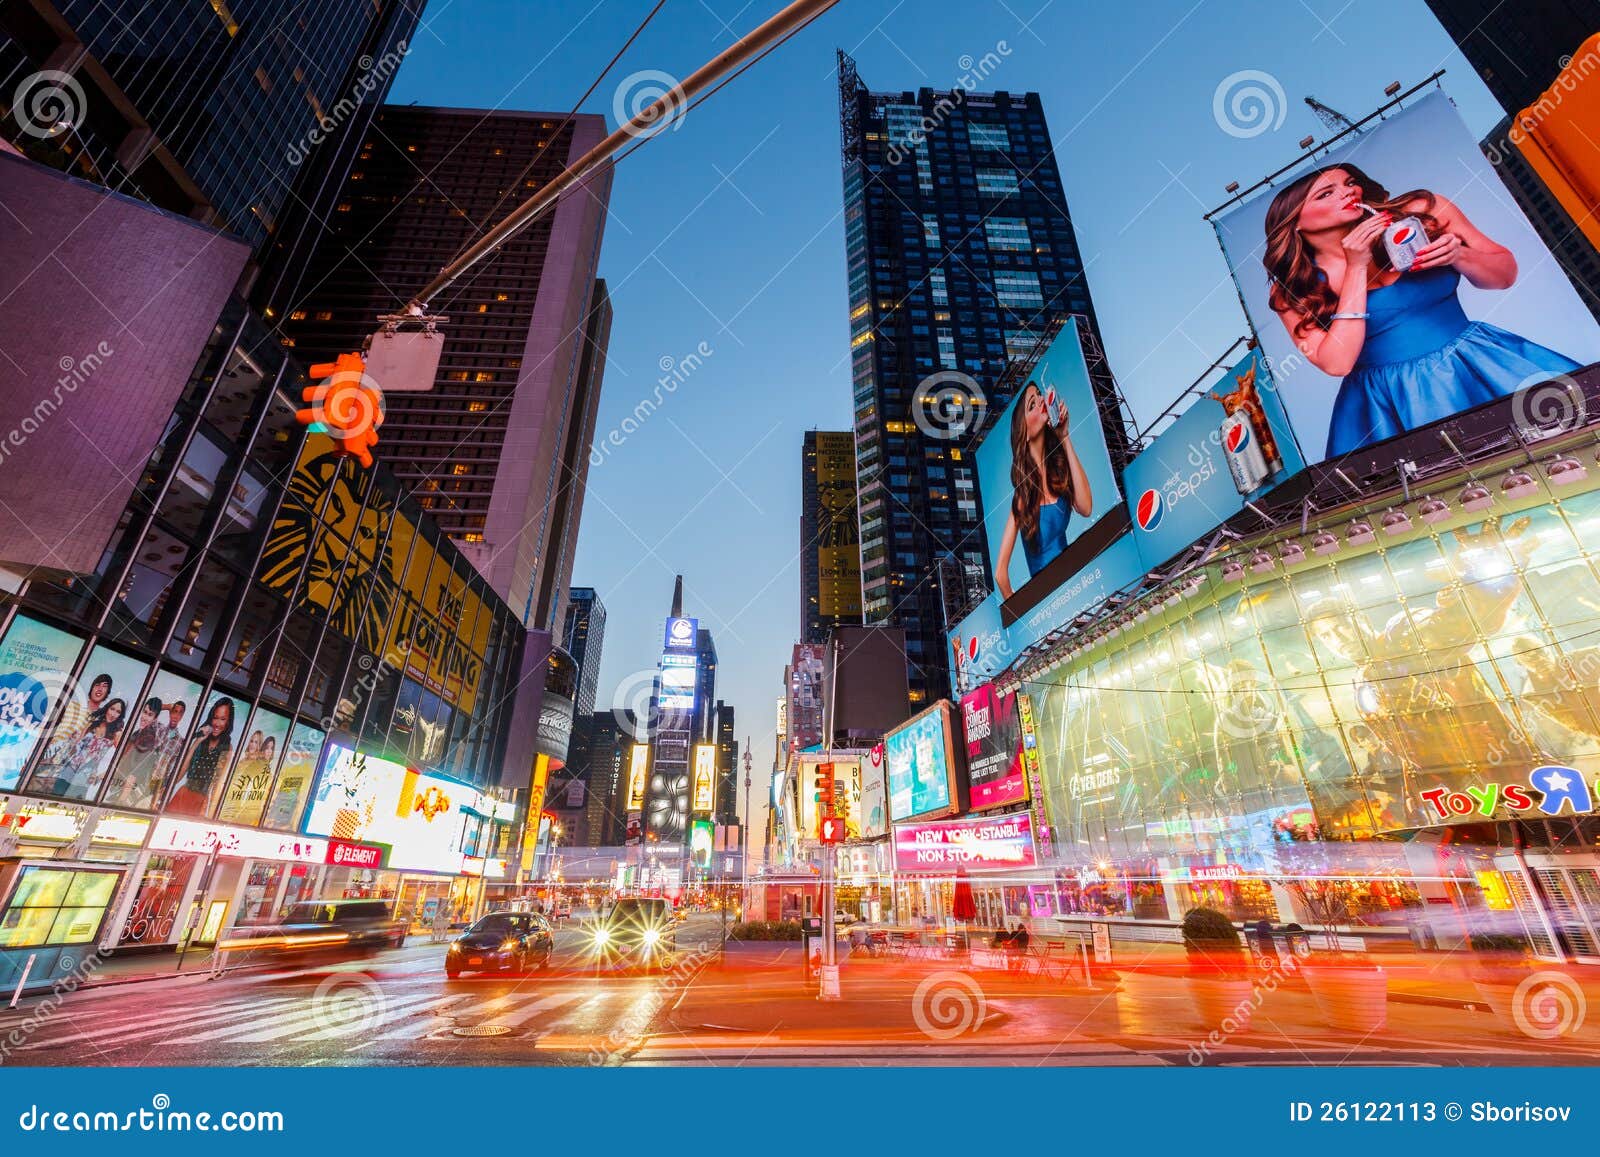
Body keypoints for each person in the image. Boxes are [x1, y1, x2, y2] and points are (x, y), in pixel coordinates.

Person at [1262, 163, 1579, 457]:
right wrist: (1356, 267)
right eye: (1326, 194)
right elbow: (1337, 362)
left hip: (1479, 363)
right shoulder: (1292, 288)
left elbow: (1505, 276)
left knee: (1567, 445)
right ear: (1295, 223)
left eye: (1349, 183)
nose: (1348, 192)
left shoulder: (1421, 212)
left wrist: (1458, 255)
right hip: (1387, 404)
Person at [995, 381, 1094, 598]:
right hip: (1049, 602)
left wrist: (1064, 436)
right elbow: (1000, 574)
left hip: (1078, 585)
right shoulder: (1022, 498)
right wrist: (1025, 613)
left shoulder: (1059, 470)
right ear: (1024, 432)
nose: (1041, 400)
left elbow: (1086, 508)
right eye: (1032, 404)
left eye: (1039, 395)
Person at [166, 697, 235, 815]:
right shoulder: (201, 740)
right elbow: (180, 773)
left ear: (228, 722)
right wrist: (197, 741)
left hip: (201, 803)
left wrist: (210, 809)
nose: (217, 723)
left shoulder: (227, 748)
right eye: (215, 718)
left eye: (223, 719)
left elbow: (218, 783)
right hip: (183, 796)